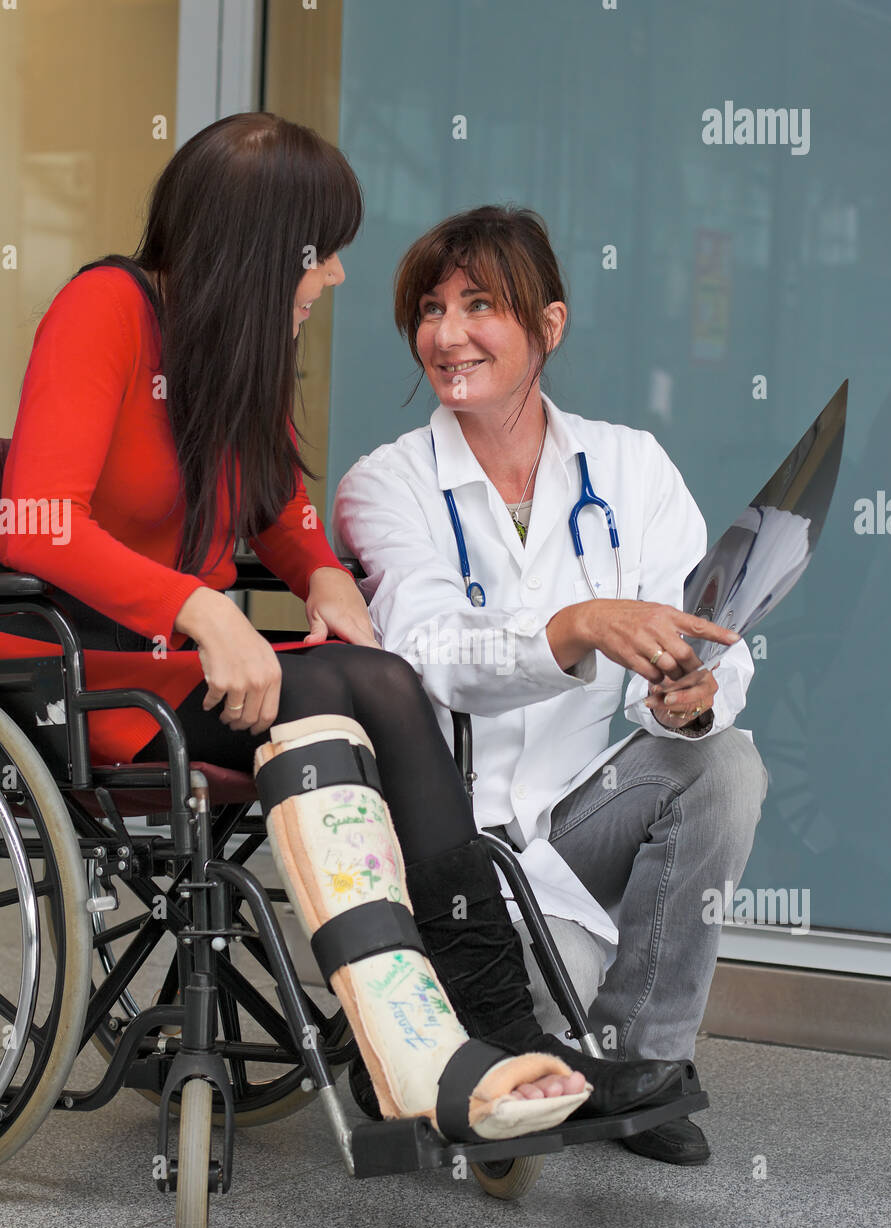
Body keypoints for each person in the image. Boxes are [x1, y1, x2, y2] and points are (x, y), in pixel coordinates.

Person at [0, 117, 683, 1140]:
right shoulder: (104, 310)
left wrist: (320, 571)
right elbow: (35, 520)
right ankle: (435, 1037)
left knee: (368, 673)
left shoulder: (238, 348)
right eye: (323, 251)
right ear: (265, 244)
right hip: (76, 674)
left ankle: (461, 1029)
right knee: (338, 685)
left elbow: (278, 508)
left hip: (183, 676)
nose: (337, 277)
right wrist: (193, 607)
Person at [333, 204, 769, 1163]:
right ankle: (547, 1053)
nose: (448, 336)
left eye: (480, 305)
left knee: (725, 765)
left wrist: (690, 694)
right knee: (532, 1045)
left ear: (548, 327)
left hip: (585, 821)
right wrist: (575, 628)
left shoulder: (632, 467)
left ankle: (648, 1070)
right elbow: (429, 651)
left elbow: (709, 637)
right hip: (461, 855)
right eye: (431, 310)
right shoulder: (385, 485)